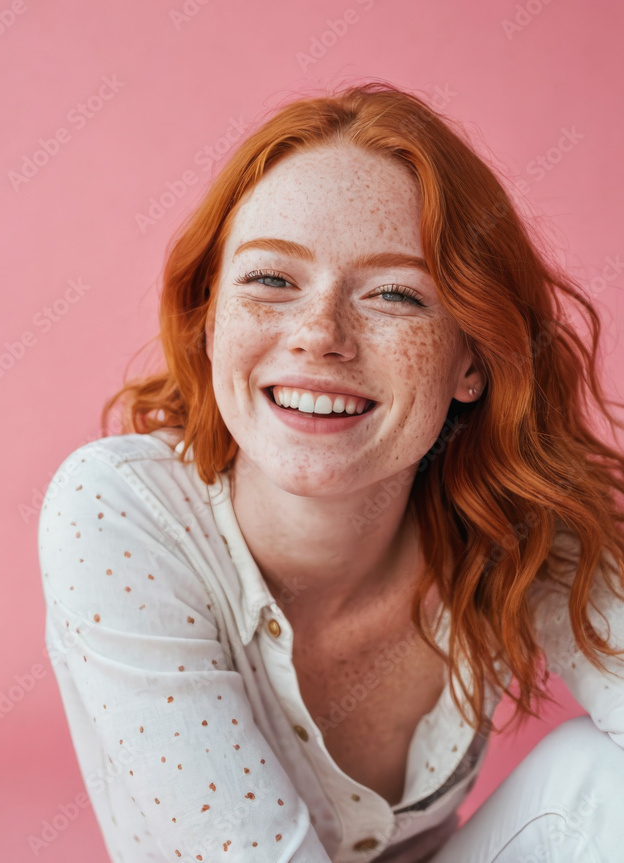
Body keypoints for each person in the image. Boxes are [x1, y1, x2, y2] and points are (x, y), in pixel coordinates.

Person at [37, 80, 624, 862]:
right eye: (271, 280)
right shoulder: (114, 509)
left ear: (471, 361)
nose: (320, 336)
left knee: (596, 777)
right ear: (210, 322)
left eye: (393, 294)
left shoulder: (508, 516)